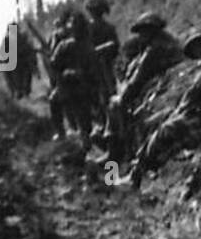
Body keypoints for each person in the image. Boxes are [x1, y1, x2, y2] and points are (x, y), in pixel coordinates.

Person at [128, 31, 201, 188]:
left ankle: (140, 173)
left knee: (167, 130)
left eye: (200, 45)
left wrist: (177, 113)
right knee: (162, 123)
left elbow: (198, 98)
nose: (198, 51)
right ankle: (142, 169)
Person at [96, 12, 185, 164]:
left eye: (144, 31)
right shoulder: (170, 41)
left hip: (159, 88)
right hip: (167, 84)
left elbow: (137, 80)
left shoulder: (153, 50)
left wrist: (122, 96)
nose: (141, 35)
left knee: (115, 104)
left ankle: (116, 154)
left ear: (151, 30)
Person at [48, 10, 101, 140]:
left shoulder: (82, 47)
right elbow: (54, 64)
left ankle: (70, 134)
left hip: (82, 87)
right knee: (54, 101)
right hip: (71, 86)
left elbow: (94, 69)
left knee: (82, 114)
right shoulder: (69, 45)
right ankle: (65, 133)